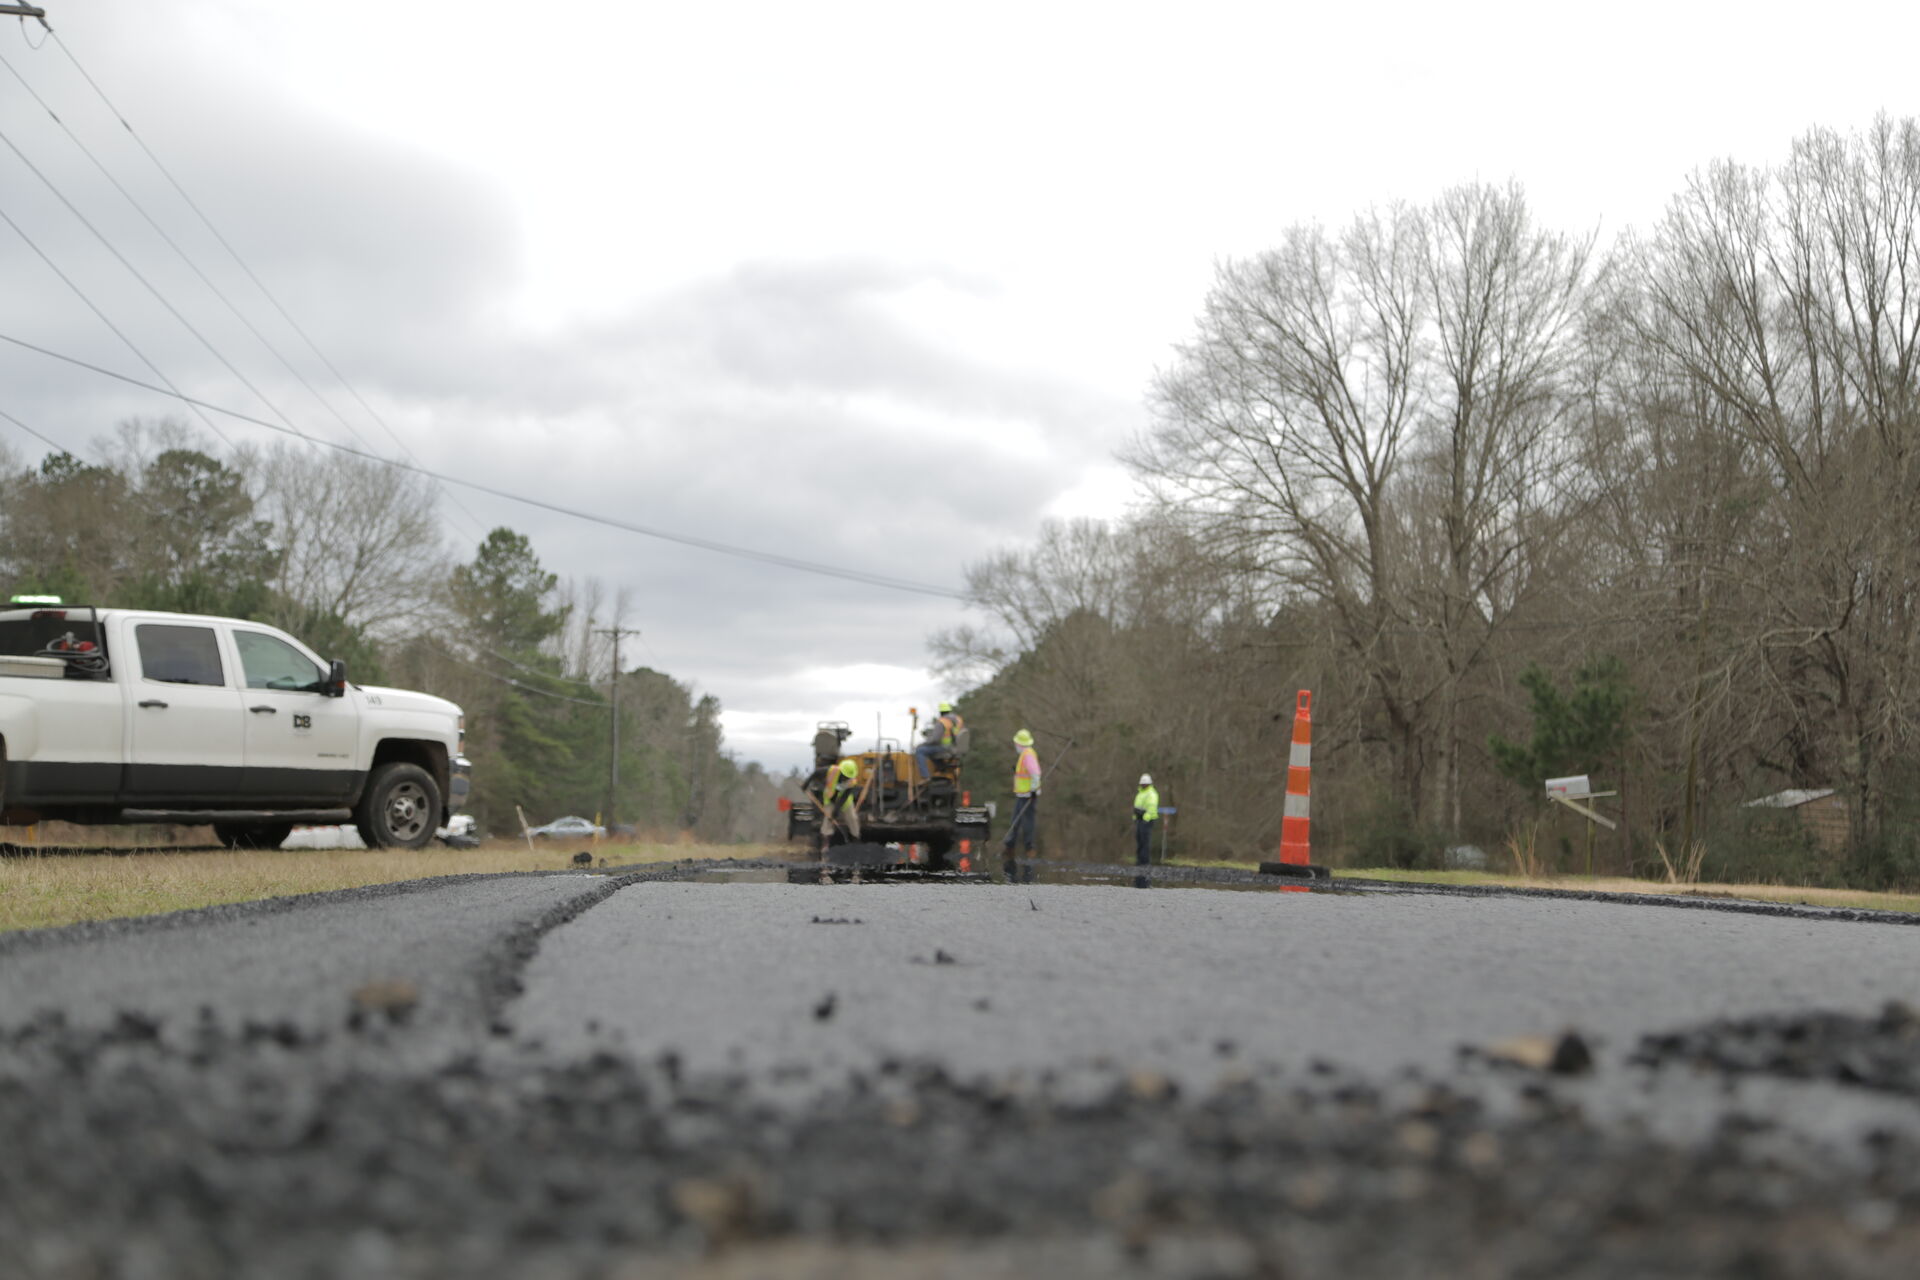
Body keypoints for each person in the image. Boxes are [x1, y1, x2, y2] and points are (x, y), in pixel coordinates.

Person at [1002, 728, 1041, 860]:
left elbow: (1035, 774)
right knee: (1015, 820)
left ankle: (1029, 848)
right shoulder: (1025, 754)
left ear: (1020, 743)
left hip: (1028, 795)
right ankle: (1010, 846)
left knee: (1027, 822)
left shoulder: (1028, 754)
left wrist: (1034, 790)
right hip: (1022, 795)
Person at [915, 701, 965, 780]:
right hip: (955, 748)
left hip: (945, 748)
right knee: (931, 751)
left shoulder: (942, 722)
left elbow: (935, 739)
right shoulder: (959, 720)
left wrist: (923, 744)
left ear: (941, 712)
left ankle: (926, 776)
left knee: (920, 750)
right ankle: (941, 767)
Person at [819, 758, 862, 850]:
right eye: (845, 775)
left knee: (853, 818)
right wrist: (806, 783)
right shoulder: (832, 771)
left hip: (845, 802)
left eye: (848, 776)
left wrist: (837, 810)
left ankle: (855, 840)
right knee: (828, 818)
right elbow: (816, 773)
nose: (847, 778)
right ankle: (825, 844)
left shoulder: (852, 782)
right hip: (830, 800)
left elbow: (844, 797)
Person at [1133, 773, 1160, 867]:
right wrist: (1135, 818)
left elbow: (1151, 807)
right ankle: (1139, 860)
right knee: (1139, 840)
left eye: (1145, 784)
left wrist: (1146, 818)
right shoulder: (1140, 793)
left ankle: (1145, 861)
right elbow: (1136, 807)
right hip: (1140, 819)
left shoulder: (1151, 794)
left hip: (1147, 820)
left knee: (1145, 841)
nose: (1143, 785)